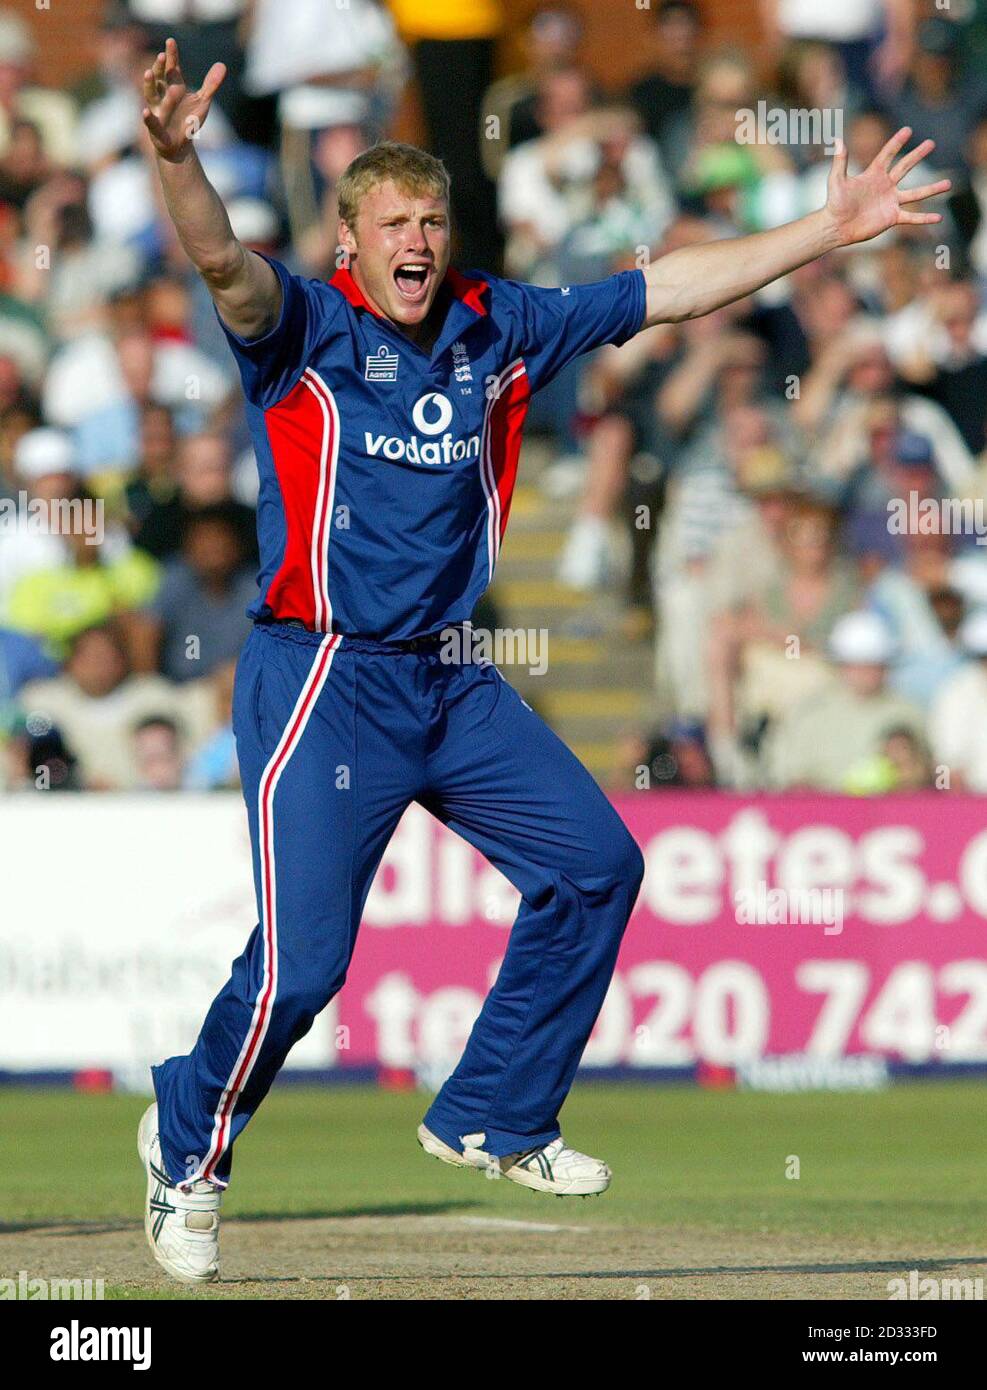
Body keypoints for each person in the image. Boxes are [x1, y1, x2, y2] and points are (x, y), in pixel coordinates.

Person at [133, 36, 950, 1284]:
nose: (416, 239)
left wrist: (829, 230)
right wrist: (179, 158)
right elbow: (219, 262)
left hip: (451, 681)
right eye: (392, 220)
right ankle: (186, 1147)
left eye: (432, 218)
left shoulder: (495, 321)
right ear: (349, 240)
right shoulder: (304, 329)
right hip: (324, 678)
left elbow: (666, 290)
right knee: (305, 967)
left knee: (596, 865)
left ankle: (493, 1111)